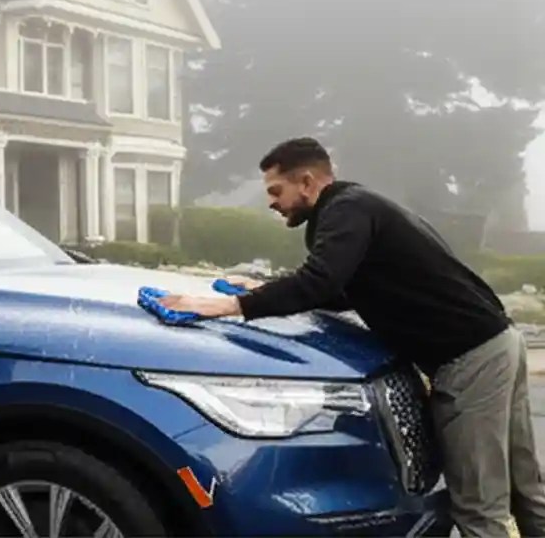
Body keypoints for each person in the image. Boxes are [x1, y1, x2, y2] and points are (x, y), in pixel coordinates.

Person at [159, 137, 545, 538]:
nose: (272, 202)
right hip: (498, 341)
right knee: (524, 487)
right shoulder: (360, 206)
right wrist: (261, 286)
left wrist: (228, 306)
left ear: (306, 182)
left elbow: (319, 282)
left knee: (478, 505)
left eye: (276, 191)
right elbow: (338, 289)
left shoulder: (345, 210)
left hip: (471, 359)